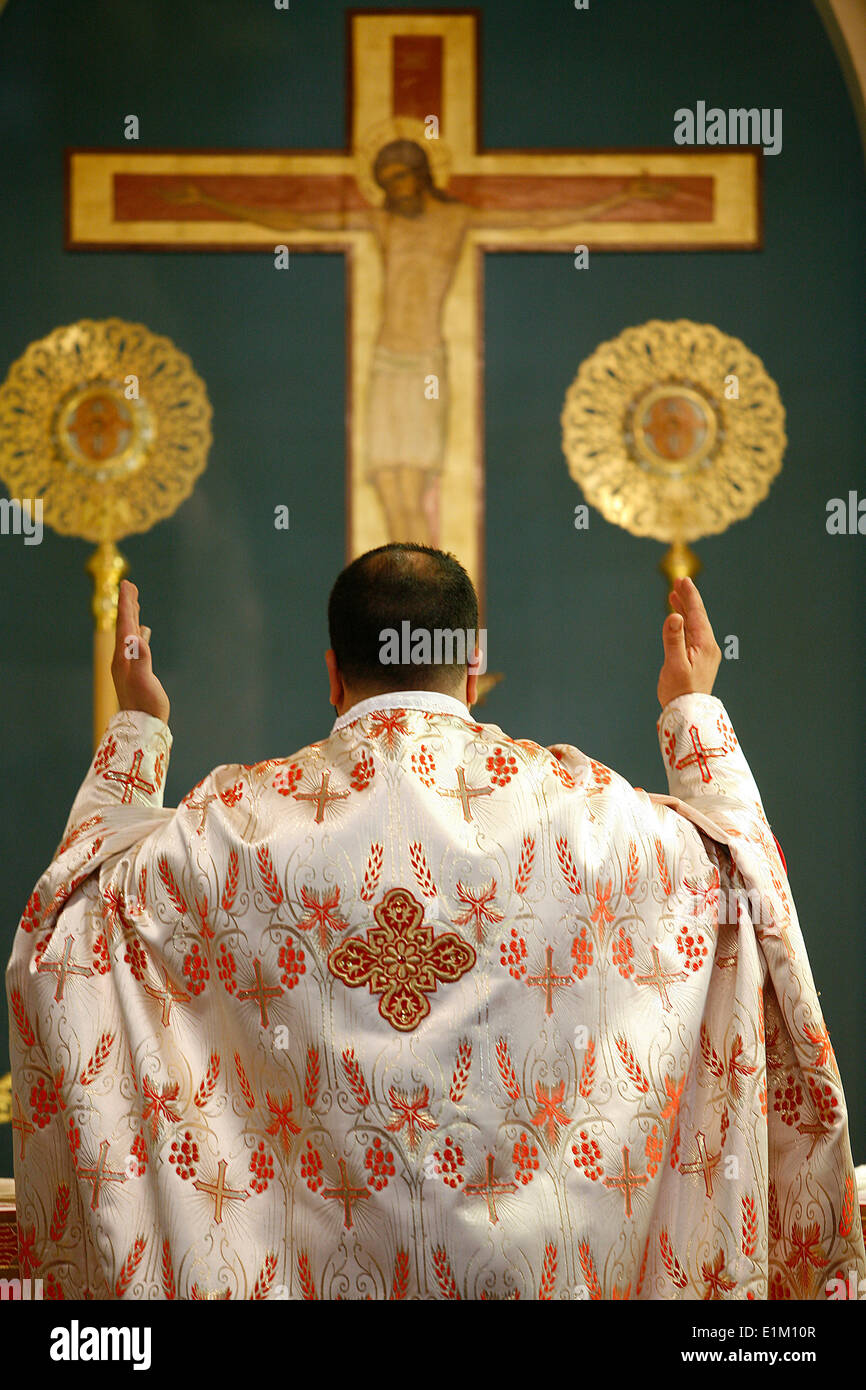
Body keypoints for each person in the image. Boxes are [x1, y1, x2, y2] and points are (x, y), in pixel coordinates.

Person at [6, 543, 863, 1300]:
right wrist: (693, 713)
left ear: (334, 672)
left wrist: (137, 730)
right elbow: (738, 872)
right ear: (472, 665)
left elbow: (71, 916)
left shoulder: (230, 827)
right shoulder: (591, 818)